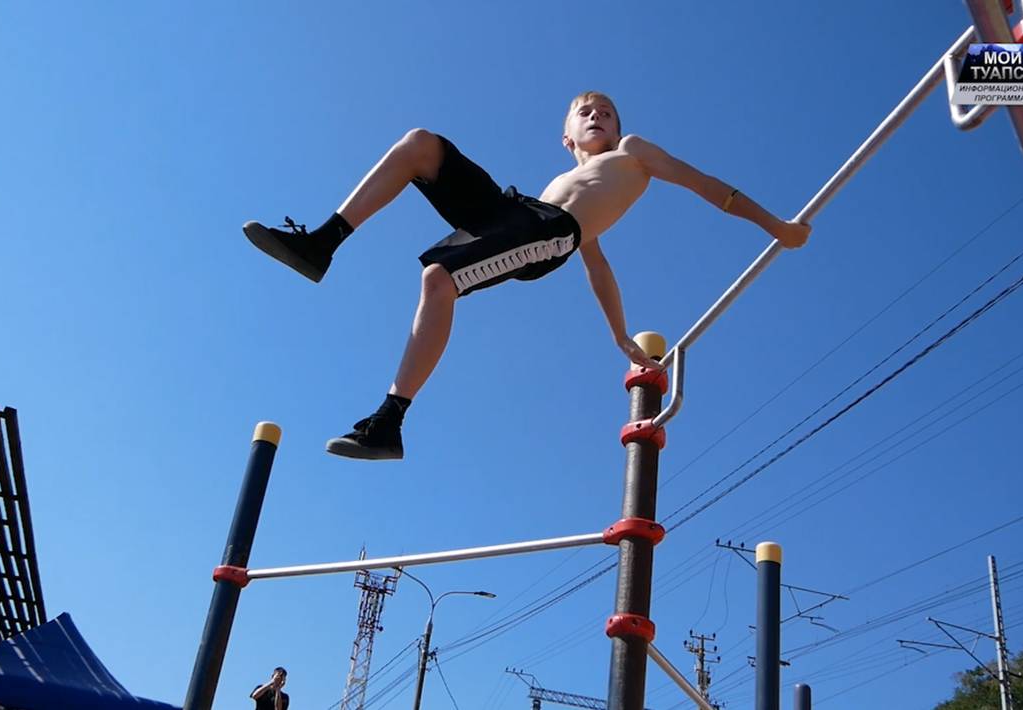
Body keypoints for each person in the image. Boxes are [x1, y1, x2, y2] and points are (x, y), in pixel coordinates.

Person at [244, 91, 811, 461]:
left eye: (607, 111)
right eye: (585, 111)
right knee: (421, 149)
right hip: (516, 210)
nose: (597, 115)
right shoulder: (566, 181)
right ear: (566, 136)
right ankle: (323, 243)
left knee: (442, 277)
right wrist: (619, 334)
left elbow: (700, 182)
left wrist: (774, 226)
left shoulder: (632, 155)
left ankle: (389, 419)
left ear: (618, 130)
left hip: (548, 230)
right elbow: (599, 264)